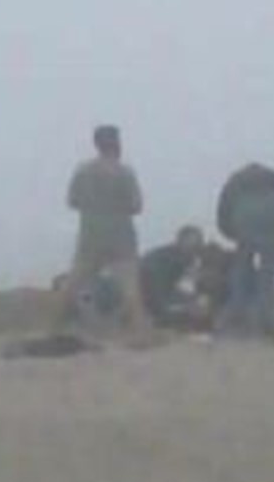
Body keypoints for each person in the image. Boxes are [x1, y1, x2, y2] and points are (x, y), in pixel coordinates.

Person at [61, 125, 151, 338]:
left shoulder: (83, 171)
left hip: (90, 235)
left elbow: (72, 201)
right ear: (116, 143)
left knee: (73, 283)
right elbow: (137, 206)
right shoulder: (124, 172)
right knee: (130, 287)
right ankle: (140, 332)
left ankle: (53, 324)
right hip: (121, 237)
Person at [216, 162, 274, 335]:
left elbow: (223, 209)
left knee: (241, 271)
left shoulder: (236, 180)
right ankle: (264, 320)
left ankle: (237, 314)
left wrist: (231, 233)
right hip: (273, 223)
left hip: (244, 221)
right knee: (267, 275)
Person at [138, 226, 206, 330]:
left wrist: (194, 301)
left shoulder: (186, 259)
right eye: (191, 245)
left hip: (160, 296)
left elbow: (186, 288)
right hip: (146, 297)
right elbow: (158, 294)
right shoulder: (162, 260)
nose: (194, 249)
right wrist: (185, 308)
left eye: (197, 245)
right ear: (180, 241)